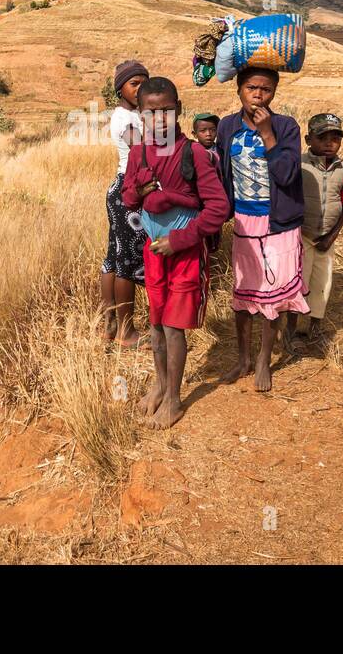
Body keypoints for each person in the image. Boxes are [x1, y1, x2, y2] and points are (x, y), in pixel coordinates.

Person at [122, 78, 230, 428]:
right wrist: (141, 189)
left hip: (184, 254)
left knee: (172, 328)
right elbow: (128, 198)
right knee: (154, 323)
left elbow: (218, 208)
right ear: (141, 115)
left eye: (167, 111)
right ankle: (159, 384)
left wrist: (180, 240)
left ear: (179, 109)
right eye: (152, 113)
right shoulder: (138, 153)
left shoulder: (193, 153)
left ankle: (174, 399)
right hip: (153, 252)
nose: (161, 120)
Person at [214, 67, 309, 392]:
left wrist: (268, 134)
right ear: (239, 89)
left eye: (266, 90)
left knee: (272, 295)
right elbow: (223, 173)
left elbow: (286, 176)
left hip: (278, 223)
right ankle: (243, 358)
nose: (258, 95)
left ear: (274, 93)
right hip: (244, 220)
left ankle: (263, 360)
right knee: (245, 291)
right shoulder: (227, 126)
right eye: (251, 88)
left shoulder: (285, 126)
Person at [287, 113, 343, 348]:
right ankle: (291, 331)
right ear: (308, 139)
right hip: (301, 236)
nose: (329, 143)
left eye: (335, 138)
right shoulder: (299, 165)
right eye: (322, 137)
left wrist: (331, 236)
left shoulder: (342, 168)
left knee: (322, 283)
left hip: (327, 237)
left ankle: (315, 328)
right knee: (298, 283)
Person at [100, 59, 148, 346]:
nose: (140, 87)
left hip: (121, 188)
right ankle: (127, 332)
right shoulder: (126, 119)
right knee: (128, 261)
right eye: (135, 83)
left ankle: (110, 324)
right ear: (121, 89)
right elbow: (140, 153)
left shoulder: (130, 115)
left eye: (144, 82)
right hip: (130, 189)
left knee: (115, 258)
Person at [190, 113, 224, 274]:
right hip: (198, 207)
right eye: (203, 131)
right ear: (194, 134)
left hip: (215, 205)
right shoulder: (191, 153)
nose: (209, 134)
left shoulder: (221, 152)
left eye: (212, 130)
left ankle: (208, 276)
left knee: (212, 244)